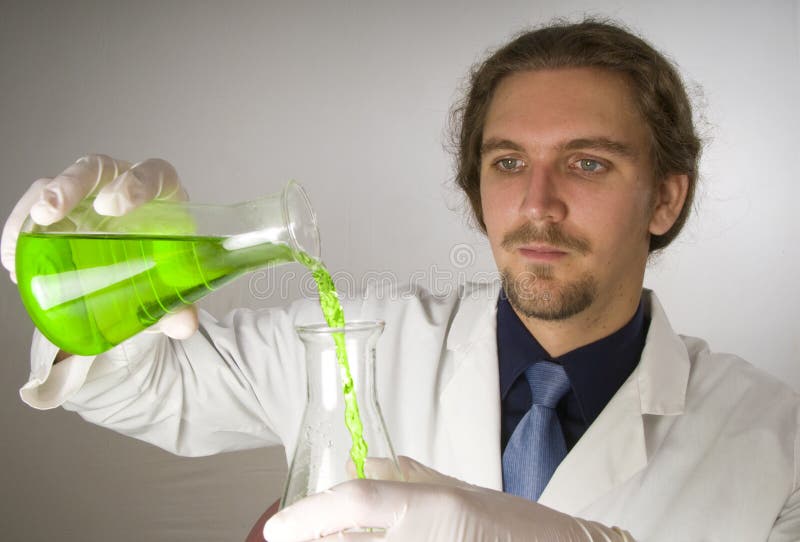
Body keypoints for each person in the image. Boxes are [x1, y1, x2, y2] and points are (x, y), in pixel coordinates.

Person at [2, 19, 798, 542]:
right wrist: (108, 278)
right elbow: (136, 389)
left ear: (665, 196)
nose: (537, 203)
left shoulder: (776, 442)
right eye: (507, 163)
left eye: (587, 163)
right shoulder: (357, 339)